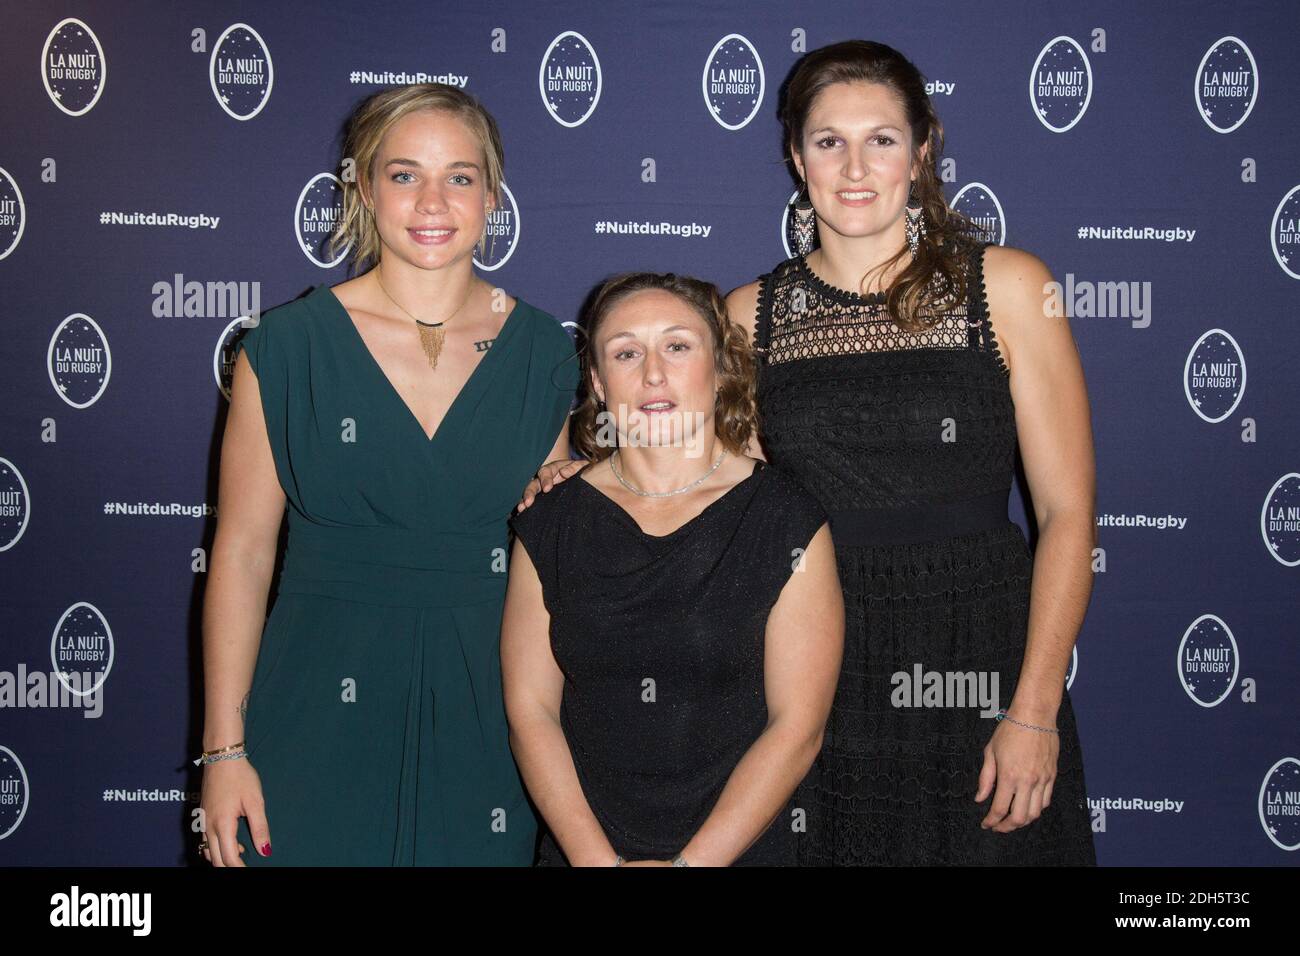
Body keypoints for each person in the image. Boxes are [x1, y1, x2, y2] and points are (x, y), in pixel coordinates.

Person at [519, 40, 1098, 865]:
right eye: (829, 141)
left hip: (982, 654)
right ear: (796, 156)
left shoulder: (1007, 287)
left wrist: (1034, 705)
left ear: (923, 147)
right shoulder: (748, 316)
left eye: (882, 139)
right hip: (816, 666)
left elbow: (1068, 512)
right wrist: (581, 468)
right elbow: (699, 468)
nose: (855, 166)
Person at [198, 84, 578, 866]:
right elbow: (240, 555)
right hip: (315, 693)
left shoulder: (545, 352)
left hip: (491, 708)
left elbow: (556, 535)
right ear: (364, 187)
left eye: (460, 177)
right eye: (404, 174)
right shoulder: (287, 347)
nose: (432, 200)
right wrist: (225, 752)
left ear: (492, 195)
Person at [502, 272, 844, 866]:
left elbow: (797, 728)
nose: (653, 372)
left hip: (745, 849)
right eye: (626, 352)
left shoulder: (788, 519)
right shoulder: (549, 521)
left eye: (678, 346)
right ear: (598, 383)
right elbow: (531, 712)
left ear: (720, 369)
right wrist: (595, 862)